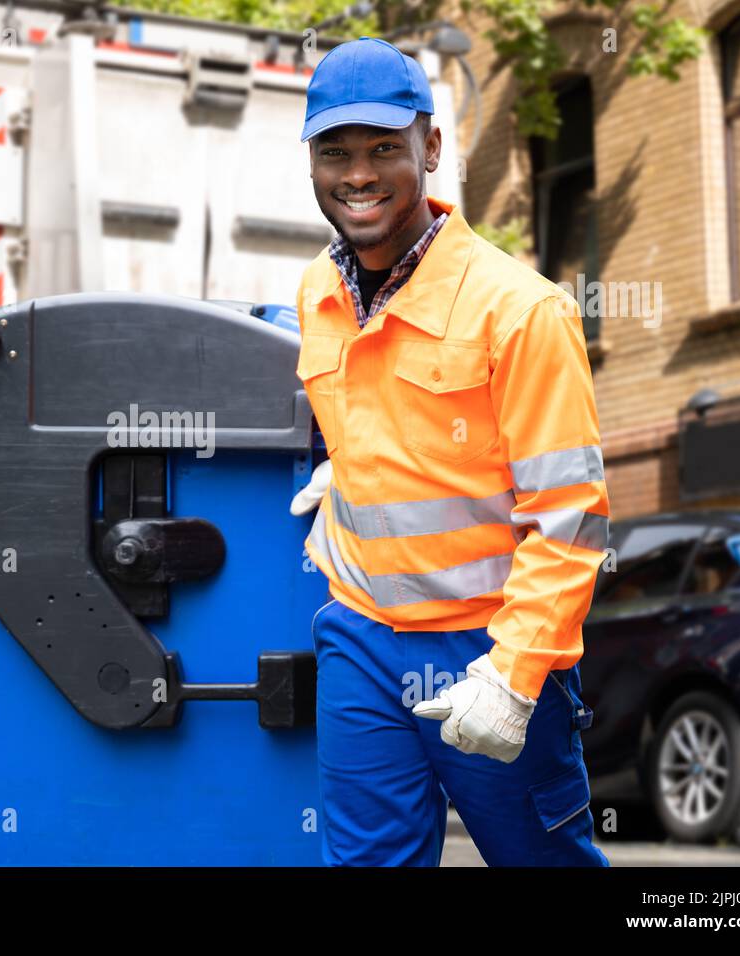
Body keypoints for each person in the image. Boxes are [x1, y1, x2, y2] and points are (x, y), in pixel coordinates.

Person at [290, 36, 611, 867]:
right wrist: (352, 467)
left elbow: (570, 518)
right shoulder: (318, 293)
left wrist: (514, 675)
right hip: (360, 635)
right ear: (312, 162)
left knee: (541, 862)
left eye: (384, 149)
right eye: (336, 153)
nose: (358, 173)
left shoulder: (521, 311)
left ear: (430, 148)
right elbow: (378, 419)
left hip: (487, 644)